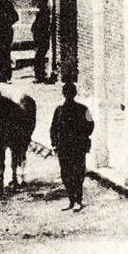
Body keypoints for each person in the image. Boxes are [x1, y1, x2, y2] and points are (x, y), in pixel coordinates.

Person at [49, 81, 93, 211]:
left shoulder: (83, 109)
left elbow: (91, 125)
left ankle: (78, 200)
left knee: (78, 173)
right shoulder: (59, 110)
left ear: (74, 94)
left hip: (78, 147)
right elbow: (53, 128)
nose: (68, 95)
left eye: (70, 93)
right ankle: (71, 200)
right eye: (66, 93)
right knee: (65, 174)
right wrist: (54, 143)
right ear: (64, 94)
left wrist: (83, 137)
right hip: (64, 147)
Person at [32, 0, 53, 84]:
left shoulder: (45, 13)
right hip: (39, 39)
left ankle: (40, 76)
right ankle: (40, 75)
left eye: (39, 1)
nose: (37, 3)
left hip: (42, 39)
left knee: (38, 58)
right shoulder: (41, 12)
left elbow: (42, 27)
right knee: (39, 57)